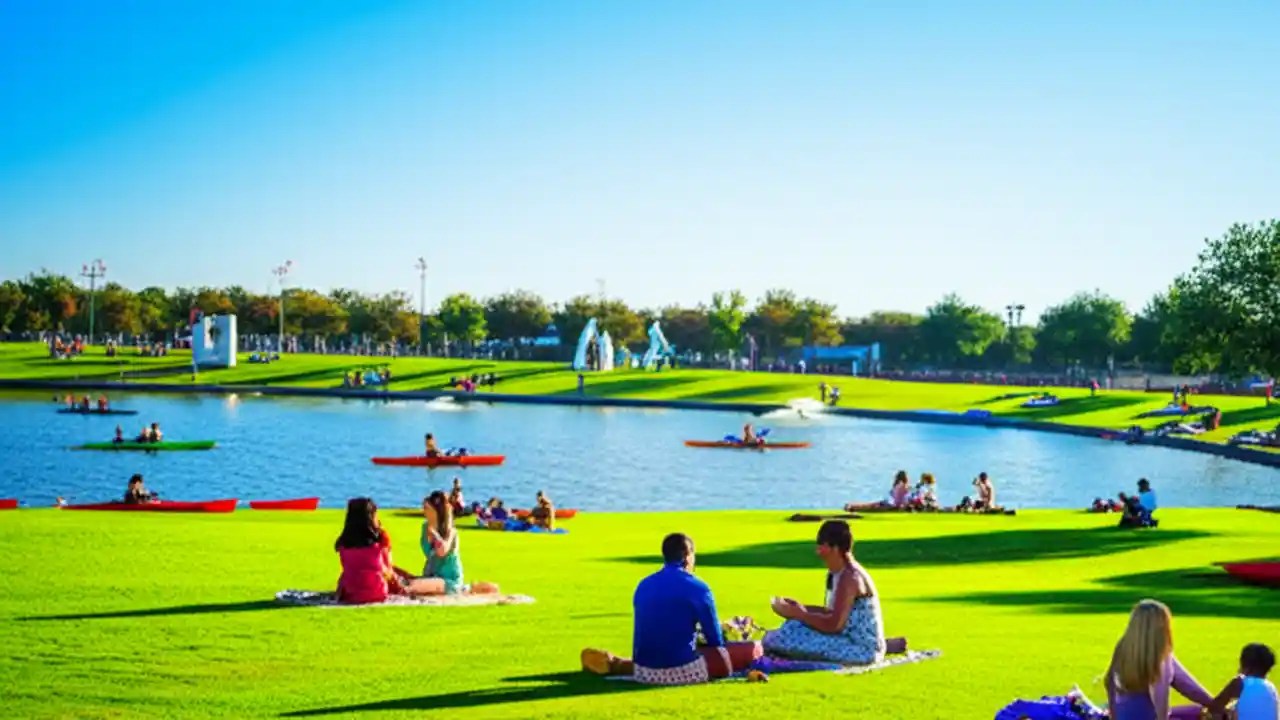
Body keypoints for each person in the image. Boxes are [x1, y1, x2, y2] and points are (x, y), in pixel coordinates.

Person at [579, 533, 761, 684]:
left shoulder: (644, 585)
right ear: (688, 555)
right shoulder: (699, 588)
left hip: (644, 671)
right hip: (680, 671)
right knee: (743, 650)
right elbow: (715, 640)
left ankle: (616, 664)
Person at [763, 520, 907, 664]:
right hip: (846, 638)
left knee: (782, 637)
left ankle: (883, 646)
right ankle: (887, 645)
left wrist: (800, 614)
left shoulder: (850, 578)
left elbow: (833, 625)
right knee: (793, 626)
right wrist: (799, 609)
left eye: (821, 543)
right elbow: (832, 612)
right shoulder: (837, 574)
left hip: (859, 648)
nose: (817, 549)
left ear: (834, 548)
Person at [1103, 599, 1214, 720]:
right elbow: (1161, 704)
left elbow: (1186, 683)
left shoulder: (1123, 648)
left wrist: (1215, 704)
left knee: (1197, 711)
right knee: (1202, 715)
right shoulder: (1159, 659)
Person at [419, 491, 499, 595]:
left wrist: (434, 534)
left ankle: (466, 588)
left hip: (449, 579)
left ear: (436, 511)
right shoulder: (425, 527)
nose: (423, 511)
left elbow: (442, 551)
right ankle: (469, 588)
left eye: (426, 508)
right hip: (431, 574)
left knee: (414, 586)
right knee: (407, 580)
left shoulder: (451, 531)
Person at [335, 498, 399, 605]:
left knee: (345, 576)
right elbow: (388, 570)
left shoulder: (343, 545)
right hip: (377, 591)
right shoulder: (379, 543)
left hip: (351, 592)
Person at [1204, 643, 1277, 720]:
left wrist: (1227, 712)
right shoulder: (1272, 688)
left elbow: (1214, 707)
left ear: (1244, 666)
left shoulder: (1239, 682)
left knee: (1210, 715)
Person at [844, 471, 911, 512]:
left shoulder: (897, 485)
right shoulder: (903, 485)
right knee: (870, 507)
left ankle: (851, 505)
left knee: (870, 505)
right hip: (892, 505)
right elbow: (907, 493)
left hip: (889, 503)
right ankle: (851, 507)